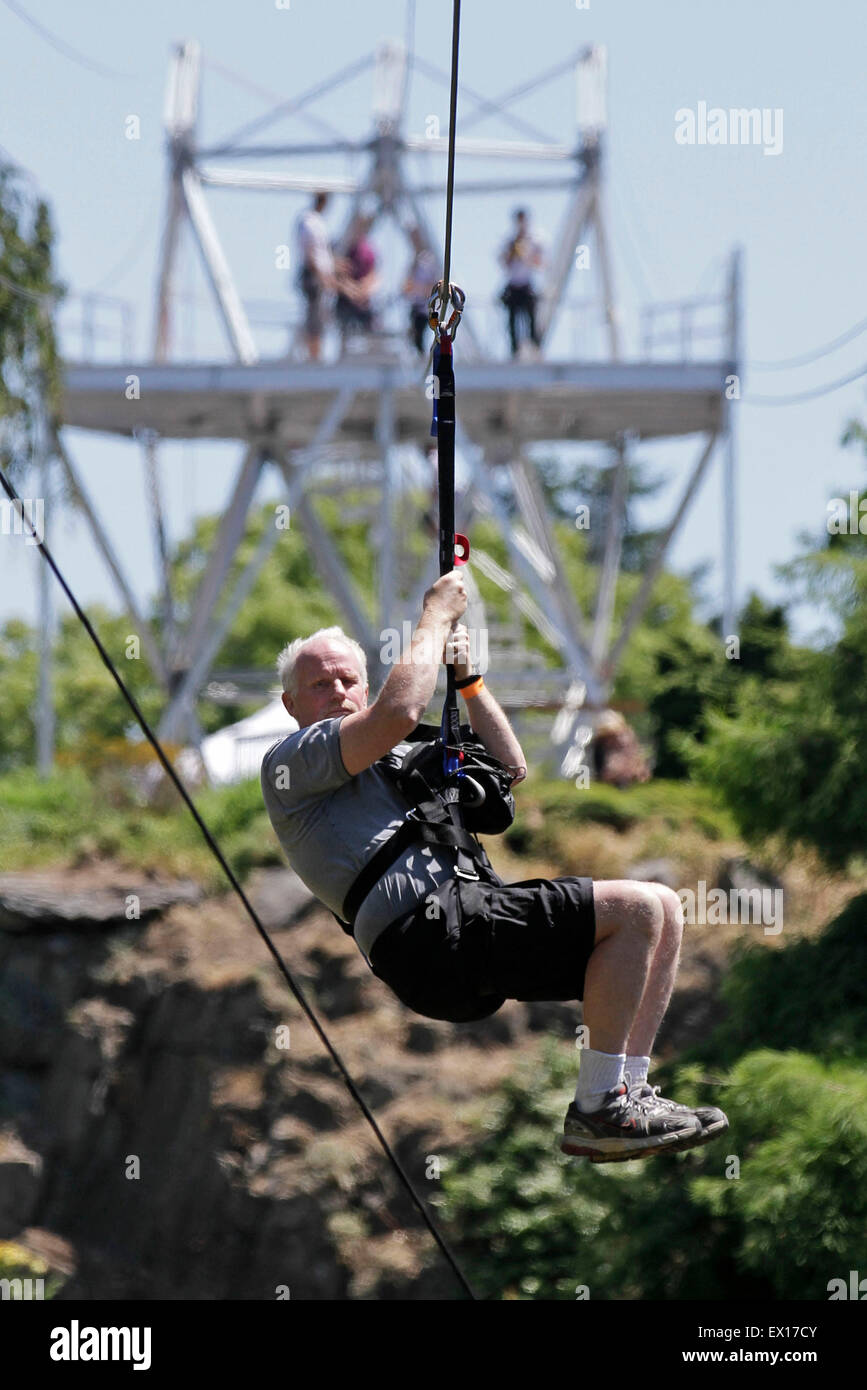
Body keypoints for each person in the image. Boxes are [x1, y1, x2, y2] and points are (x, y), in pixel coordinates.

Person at [260, 572, 728, 1163]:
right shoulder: (291, 764)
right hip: (429, 933)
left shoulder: (397, 758)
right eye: (318, 684)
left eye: (347, 680)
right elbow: (400, 708)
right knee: (632, 909)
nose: (335, 691)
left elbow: (509, 770)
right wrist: (433, 614)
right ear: (290, 704)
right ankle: (599, 1104)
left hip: (462, 925)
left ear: (363, 685)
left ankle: (625, 1095)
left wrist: (470, 685)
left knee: (662, 909)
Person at [498, 207, 545, 358]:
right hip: (513, 286)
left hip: (527, 285)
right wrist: (513, 251)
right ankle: (514, 350)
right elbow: (504, 263)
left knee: (531, 319)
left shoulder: (535, 240)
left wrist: (527, 255)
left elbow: (540, 263)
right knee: (512, 321)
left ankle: (534, 347)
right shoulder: (509, 241)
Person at [295, 191, 336, 361]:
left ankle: (316, 353)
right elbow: (310, 252)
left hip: (317, 274)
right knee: (314, 317)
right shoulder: (310, 222)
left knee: (317, 316)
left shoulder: (314, 222)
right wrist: (322, 276)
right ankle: (314, 355)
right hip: (313, 275)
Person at [333, 214, 380, 350]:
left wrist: (362, 290)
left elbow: (374, 273)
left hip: (363, 300)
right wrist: (351, 290)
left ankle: (372, 353)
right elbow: (337, 274)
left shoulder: (368, 250)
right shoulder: (341, 247)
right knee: (344, 331)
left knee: (370, 327)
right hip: (345, 299)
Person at [402, 225, 439, 356]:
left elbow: (434, 284)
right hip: (415, 305)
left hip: (425, 307)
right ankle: (419, 355)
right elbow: (406, 285)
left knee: (421, 335)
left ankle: (424, 356)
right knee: (414, 336)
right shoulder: (414, 260)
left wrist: (419, 289)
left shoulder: (429, 260)